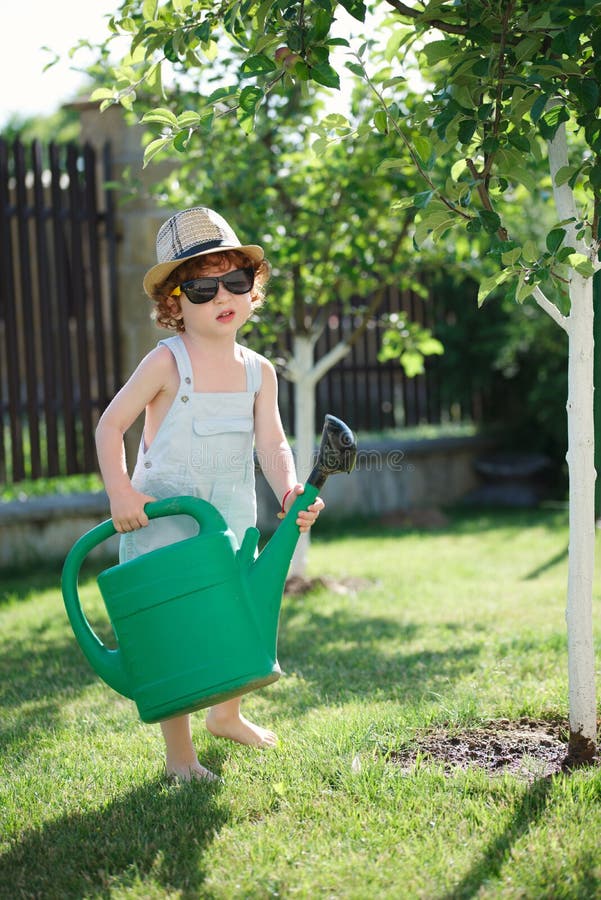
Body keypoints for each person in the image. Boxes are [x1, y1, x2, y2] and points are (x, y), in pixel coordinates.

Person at [95, 206, 324, 782]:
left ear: (253, 291)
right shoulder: (167, 362)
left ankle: (228, 714)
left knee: (235, 613)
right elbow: (109, 425)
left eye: (235, 282)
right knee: (170, 629)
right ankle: (180, 756)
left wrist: (290, 489)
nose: (221, 295)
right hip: (163, 518)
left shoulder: (259, 371)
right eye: (201, 287)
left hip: (228, 517)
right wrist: (121, 491)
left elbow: (271, 443)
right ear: (174, 304)